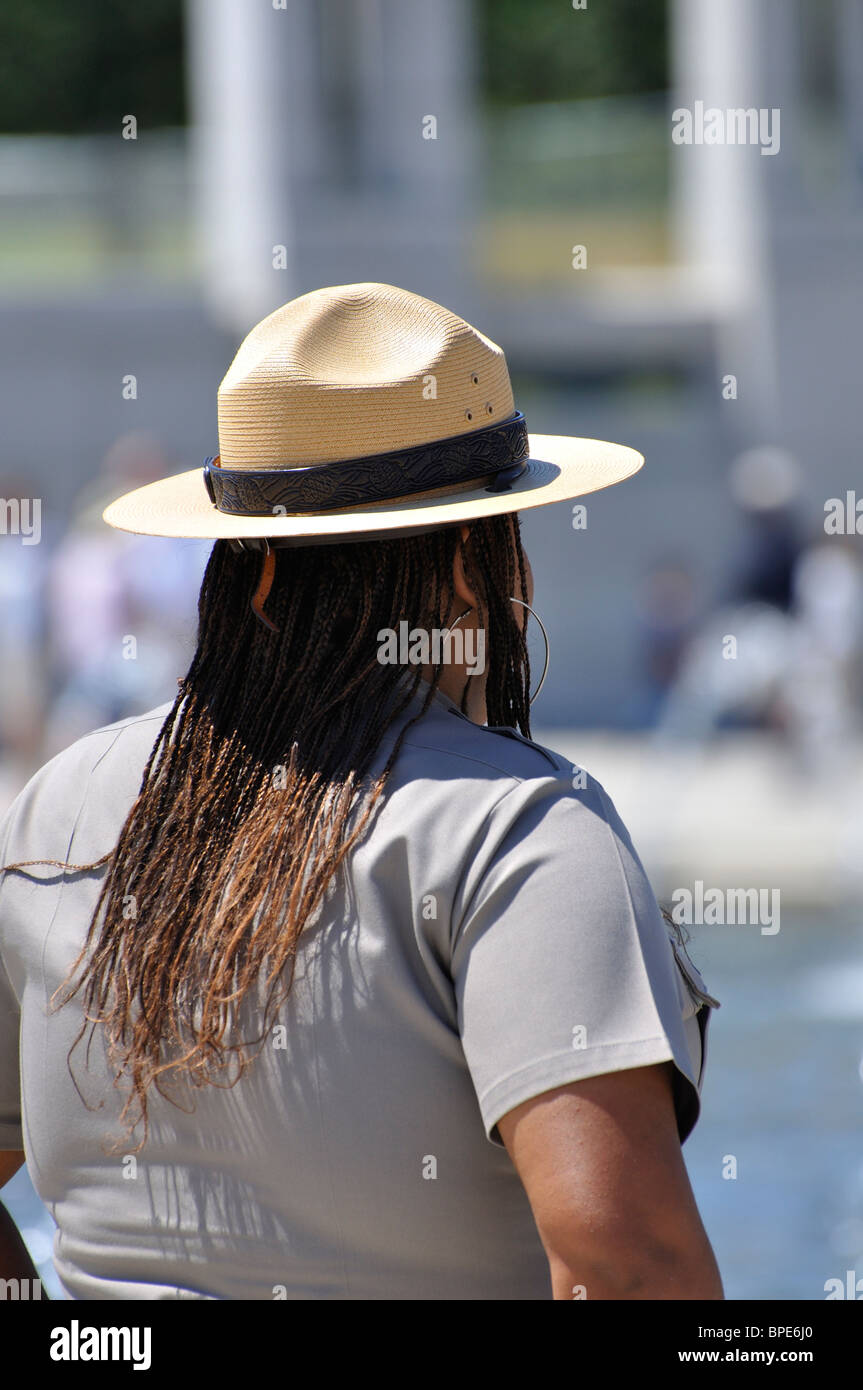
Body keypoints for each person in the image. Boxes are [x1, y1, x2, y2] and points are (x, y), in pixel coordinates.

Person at [0, 282, 723, 1301]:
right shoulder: (519, 831)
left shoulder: (58, 804)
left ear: (245, 572)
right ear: (482, 569)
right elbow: (624, 1265)